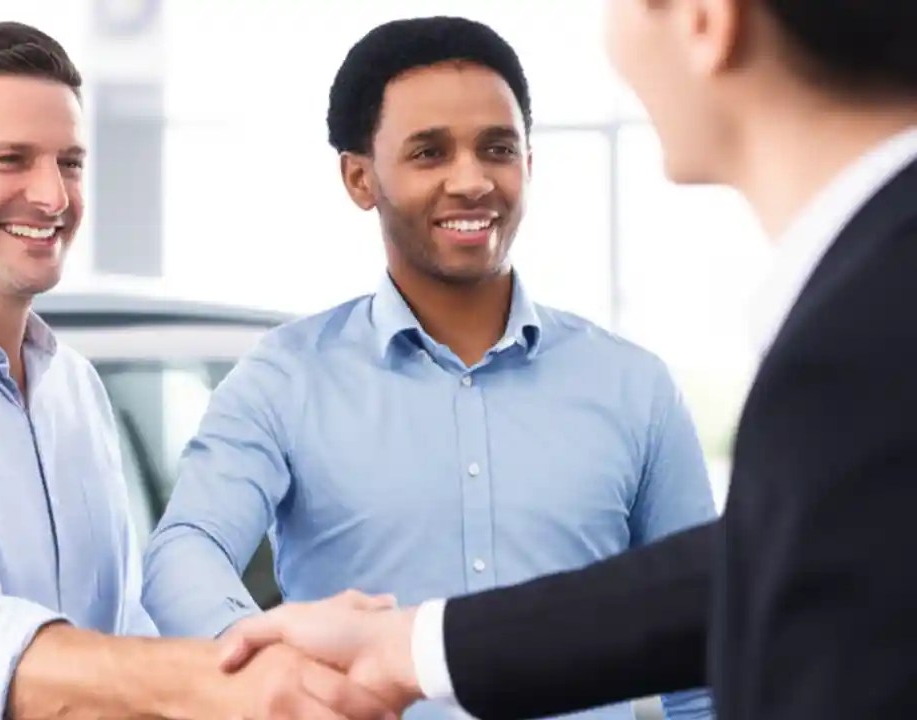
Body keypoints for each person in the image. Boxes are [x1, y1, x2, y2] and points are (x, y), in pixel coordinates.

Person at [218, 1, 917, 718]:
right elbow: (737, 574)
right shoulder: (869, 302)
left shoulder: (861, 335)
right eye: (430, 151)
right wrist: (404, 648)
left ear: (707, 20)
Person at [0, 20, 397, 720]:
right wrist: (236, 681)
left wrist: (265, 667)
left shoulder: (71, 384)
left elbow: (120, 638)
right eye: (10, 160)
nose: (54, 196)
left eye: (69, 162)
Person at [141, 15, 716, 719]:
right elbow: (185, 549)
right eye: (429, 153)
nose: (471, 180)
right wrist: (258, 658)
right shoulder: (284, 381)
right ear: (360, 177)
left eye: (496, 148)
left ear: (529, 165)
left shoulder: (635, 387)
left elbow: (707, 641)